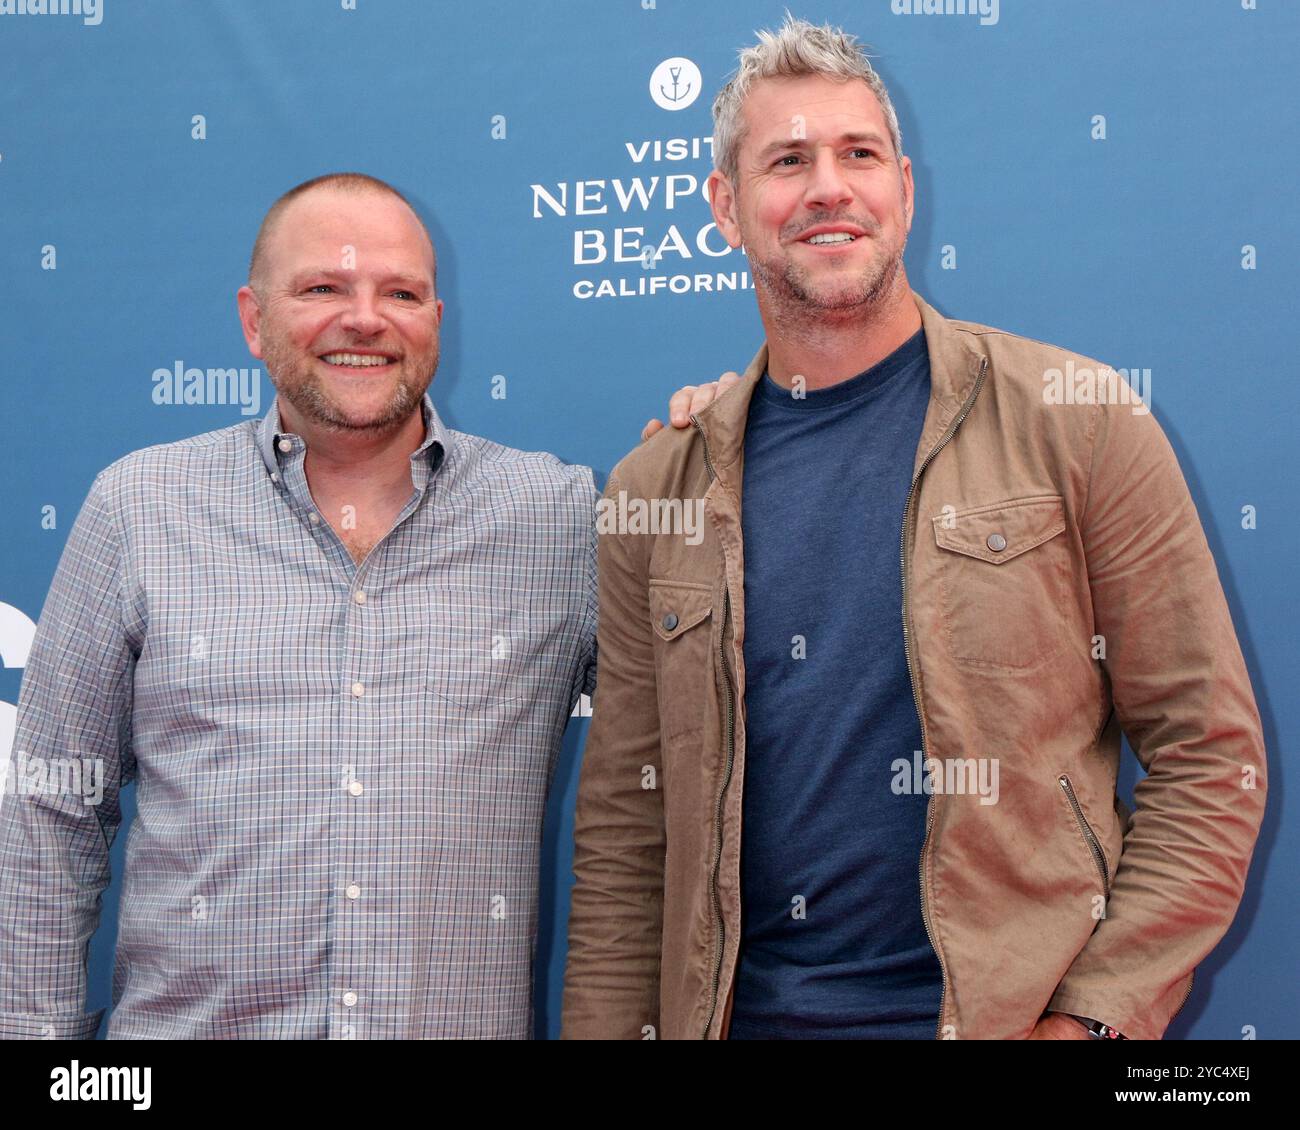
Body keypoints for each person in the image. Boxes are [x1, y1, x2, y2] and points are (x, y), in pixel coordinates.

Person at [562, 15, 1267, 1040]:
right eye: (786, 160)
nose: (827, 188)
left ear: (903, 184)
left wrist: (1092, 1023)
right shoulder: (657, 484)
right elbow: (628, 833)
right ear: (724, 206)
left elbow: (1209, 757)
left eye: (856, 155)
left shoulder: (1077, 417)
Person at [0, 172, 713, 1040]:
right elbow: (49, 814)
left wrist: (726, 455)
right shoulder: (138, 509)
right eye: (323, 288)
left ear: (436, 326)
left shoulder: (556, 516)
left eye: (400, 292)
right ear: (253, 320)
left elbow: (698, 718)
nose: (365, 319)